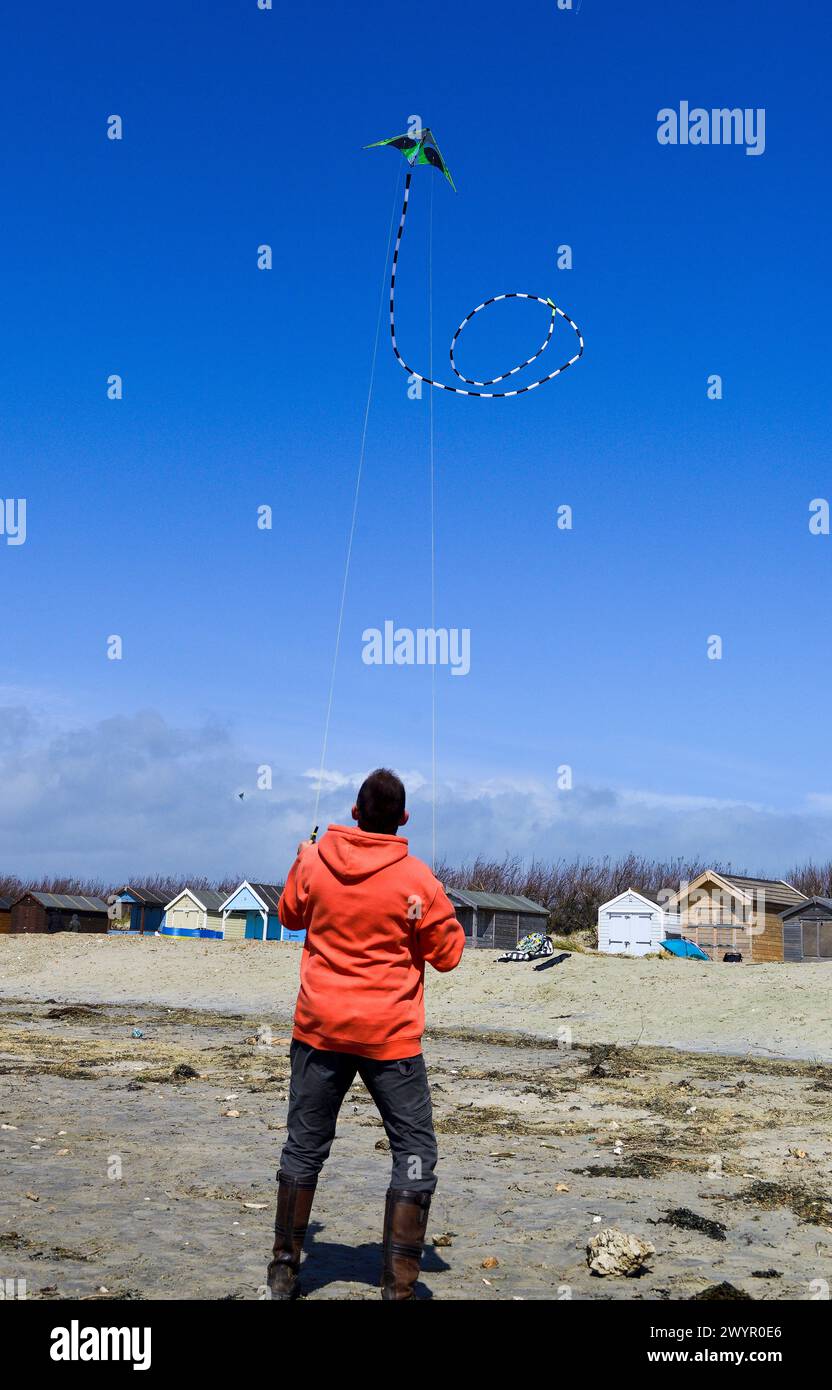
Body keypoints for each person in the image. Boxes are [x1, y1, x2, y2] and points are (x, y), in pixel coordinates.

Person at [267, 767, 465, 1301]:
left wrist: (300, 859)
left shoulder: (314, 858)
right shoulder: (417, 879)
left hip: (320, 1027)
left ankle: (284, 1269)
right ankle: (398, 1289)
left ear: (355, 812)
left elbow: (289, 914)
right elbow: (448, 956)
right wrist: (429, 906)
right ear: (402, 820)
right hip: (390, 1037)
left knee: (304, 1148)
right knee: (415, 1152)